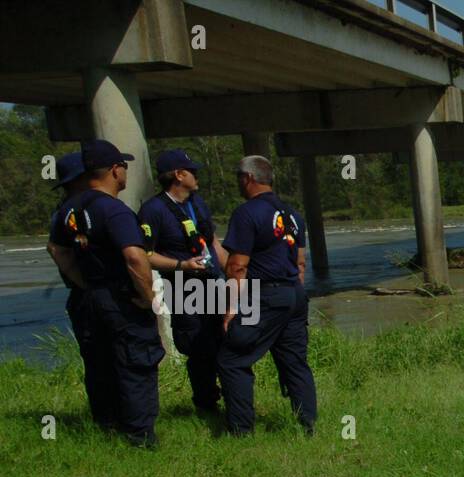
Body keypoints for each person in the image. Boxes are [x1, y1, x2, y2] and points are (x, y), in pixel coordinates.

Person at [47, 139, 163, 446]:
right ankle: (140, 436)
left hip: (89, 298)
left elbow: (56, 249)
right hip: (121, 298)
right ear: (114, 170)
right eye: (123, 166)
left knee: (100, 362)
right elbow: (135, 257)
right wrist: (149, 298)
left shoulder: (69, 210)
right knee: (136, 362)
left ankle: (107, 426)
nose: (125, 172)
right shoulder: (114, 210)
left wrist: (83, 283)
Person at [217, 155, 317, 437]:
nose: (237, 182)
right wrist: (291, 296)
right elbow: (300, 263)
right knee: (294, 362)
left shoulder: (246, 213)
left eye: (238, 177)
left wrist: (231, 308)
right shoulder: (292, 214)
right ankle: (307, 425)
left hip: (264, 296)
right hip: (294, 294)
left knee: (232, 359)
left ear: (248, 178)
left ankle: (241, 432)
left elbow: (237, 266)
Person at [138, 148, 228, 415]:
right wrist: (182, 265)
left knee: (226, 340)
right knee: (198, 348)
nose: (197, 176)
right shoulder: (153, 210)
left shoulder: (197, 202)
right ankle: (206, 405)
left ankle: (234, 400)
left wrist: (236, 274)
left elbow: (213, 242)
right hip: (183, 288)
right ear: (179, 175)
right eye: (193, 171)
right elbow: (145, 256)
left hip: (213, 283)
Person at [45, 150, 118, 429]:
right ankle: (109, 421)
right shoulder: (71, 214)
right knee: (101, 359)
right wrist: (86, 284)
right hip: (89, 295)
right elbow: (56, 249)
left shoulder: (75, 210)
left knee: (105, 359)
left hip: (91, 294)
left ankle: (114, 418)